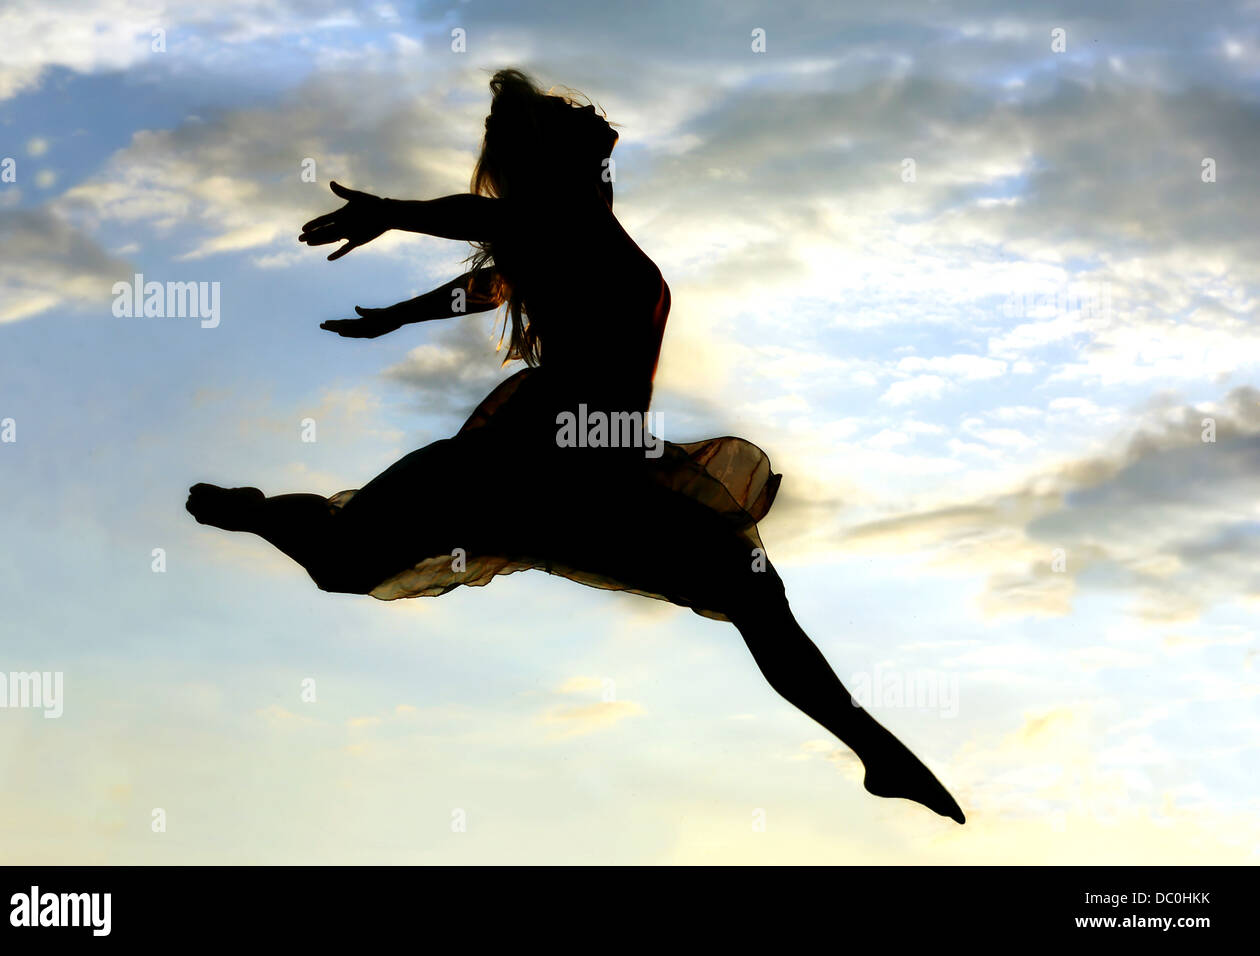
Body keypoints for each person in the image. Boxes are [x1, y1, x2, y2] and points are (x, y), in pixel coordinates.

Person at [187, 69, 965, 824]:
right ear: (558, 165)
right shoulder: (557, 221)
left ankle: (874, 752)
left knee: (752, 589)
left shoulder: (579, 228)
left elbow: (490, 282)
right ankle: (259, 511)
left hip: (603, 467)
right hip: (530, 460)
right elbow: (491, 229)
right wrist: (393, 218)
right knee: (343, 561)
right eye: (593, 151)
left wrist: (398, 311)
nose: (607, 157)